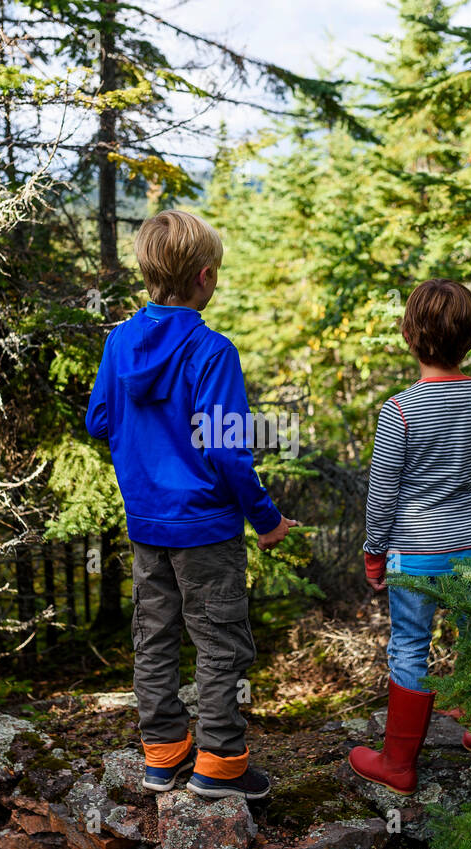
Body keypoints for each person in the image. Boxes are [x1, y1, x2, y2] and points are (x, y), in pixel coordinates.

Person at [85, 209, 297, 801]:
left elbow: (99, 419)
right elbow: (230, 454)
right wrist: (268, 520)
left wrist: (147, 442)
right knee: (219, 642)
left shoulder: (120, 340)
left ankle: (162, 754)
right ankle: (221, 761)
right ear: (205, 277)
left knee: (154, 637)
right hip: (206, 528)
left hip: (148, 525)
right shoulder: (213, 352)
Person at [350, 278, 471, 794]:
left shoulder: (400, 411)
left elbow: (383, 494)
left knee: (409, 649)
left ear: (407, 335)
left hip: (412, 555)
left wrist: (375, 553)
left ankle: (398, 764)